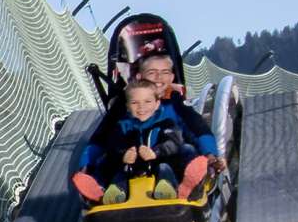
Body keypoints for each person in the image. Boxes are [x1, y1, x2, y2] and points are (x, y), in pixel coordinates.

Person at [73, 76, 219, 202]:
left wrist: (156, 152)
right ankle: (101, 192)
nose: (141, 107)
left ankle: (179, 189)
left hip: (160, 163)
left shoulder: (166, 123)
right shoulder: (123, 126)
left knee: (166, 167)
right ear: (127, 106)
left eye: (147, 102)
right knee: (112, 166)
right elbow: (113, 144)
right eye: (135, 103)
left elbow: (173, 142)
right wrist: (123, 153)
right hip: (131, 169)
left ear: (157, 104)